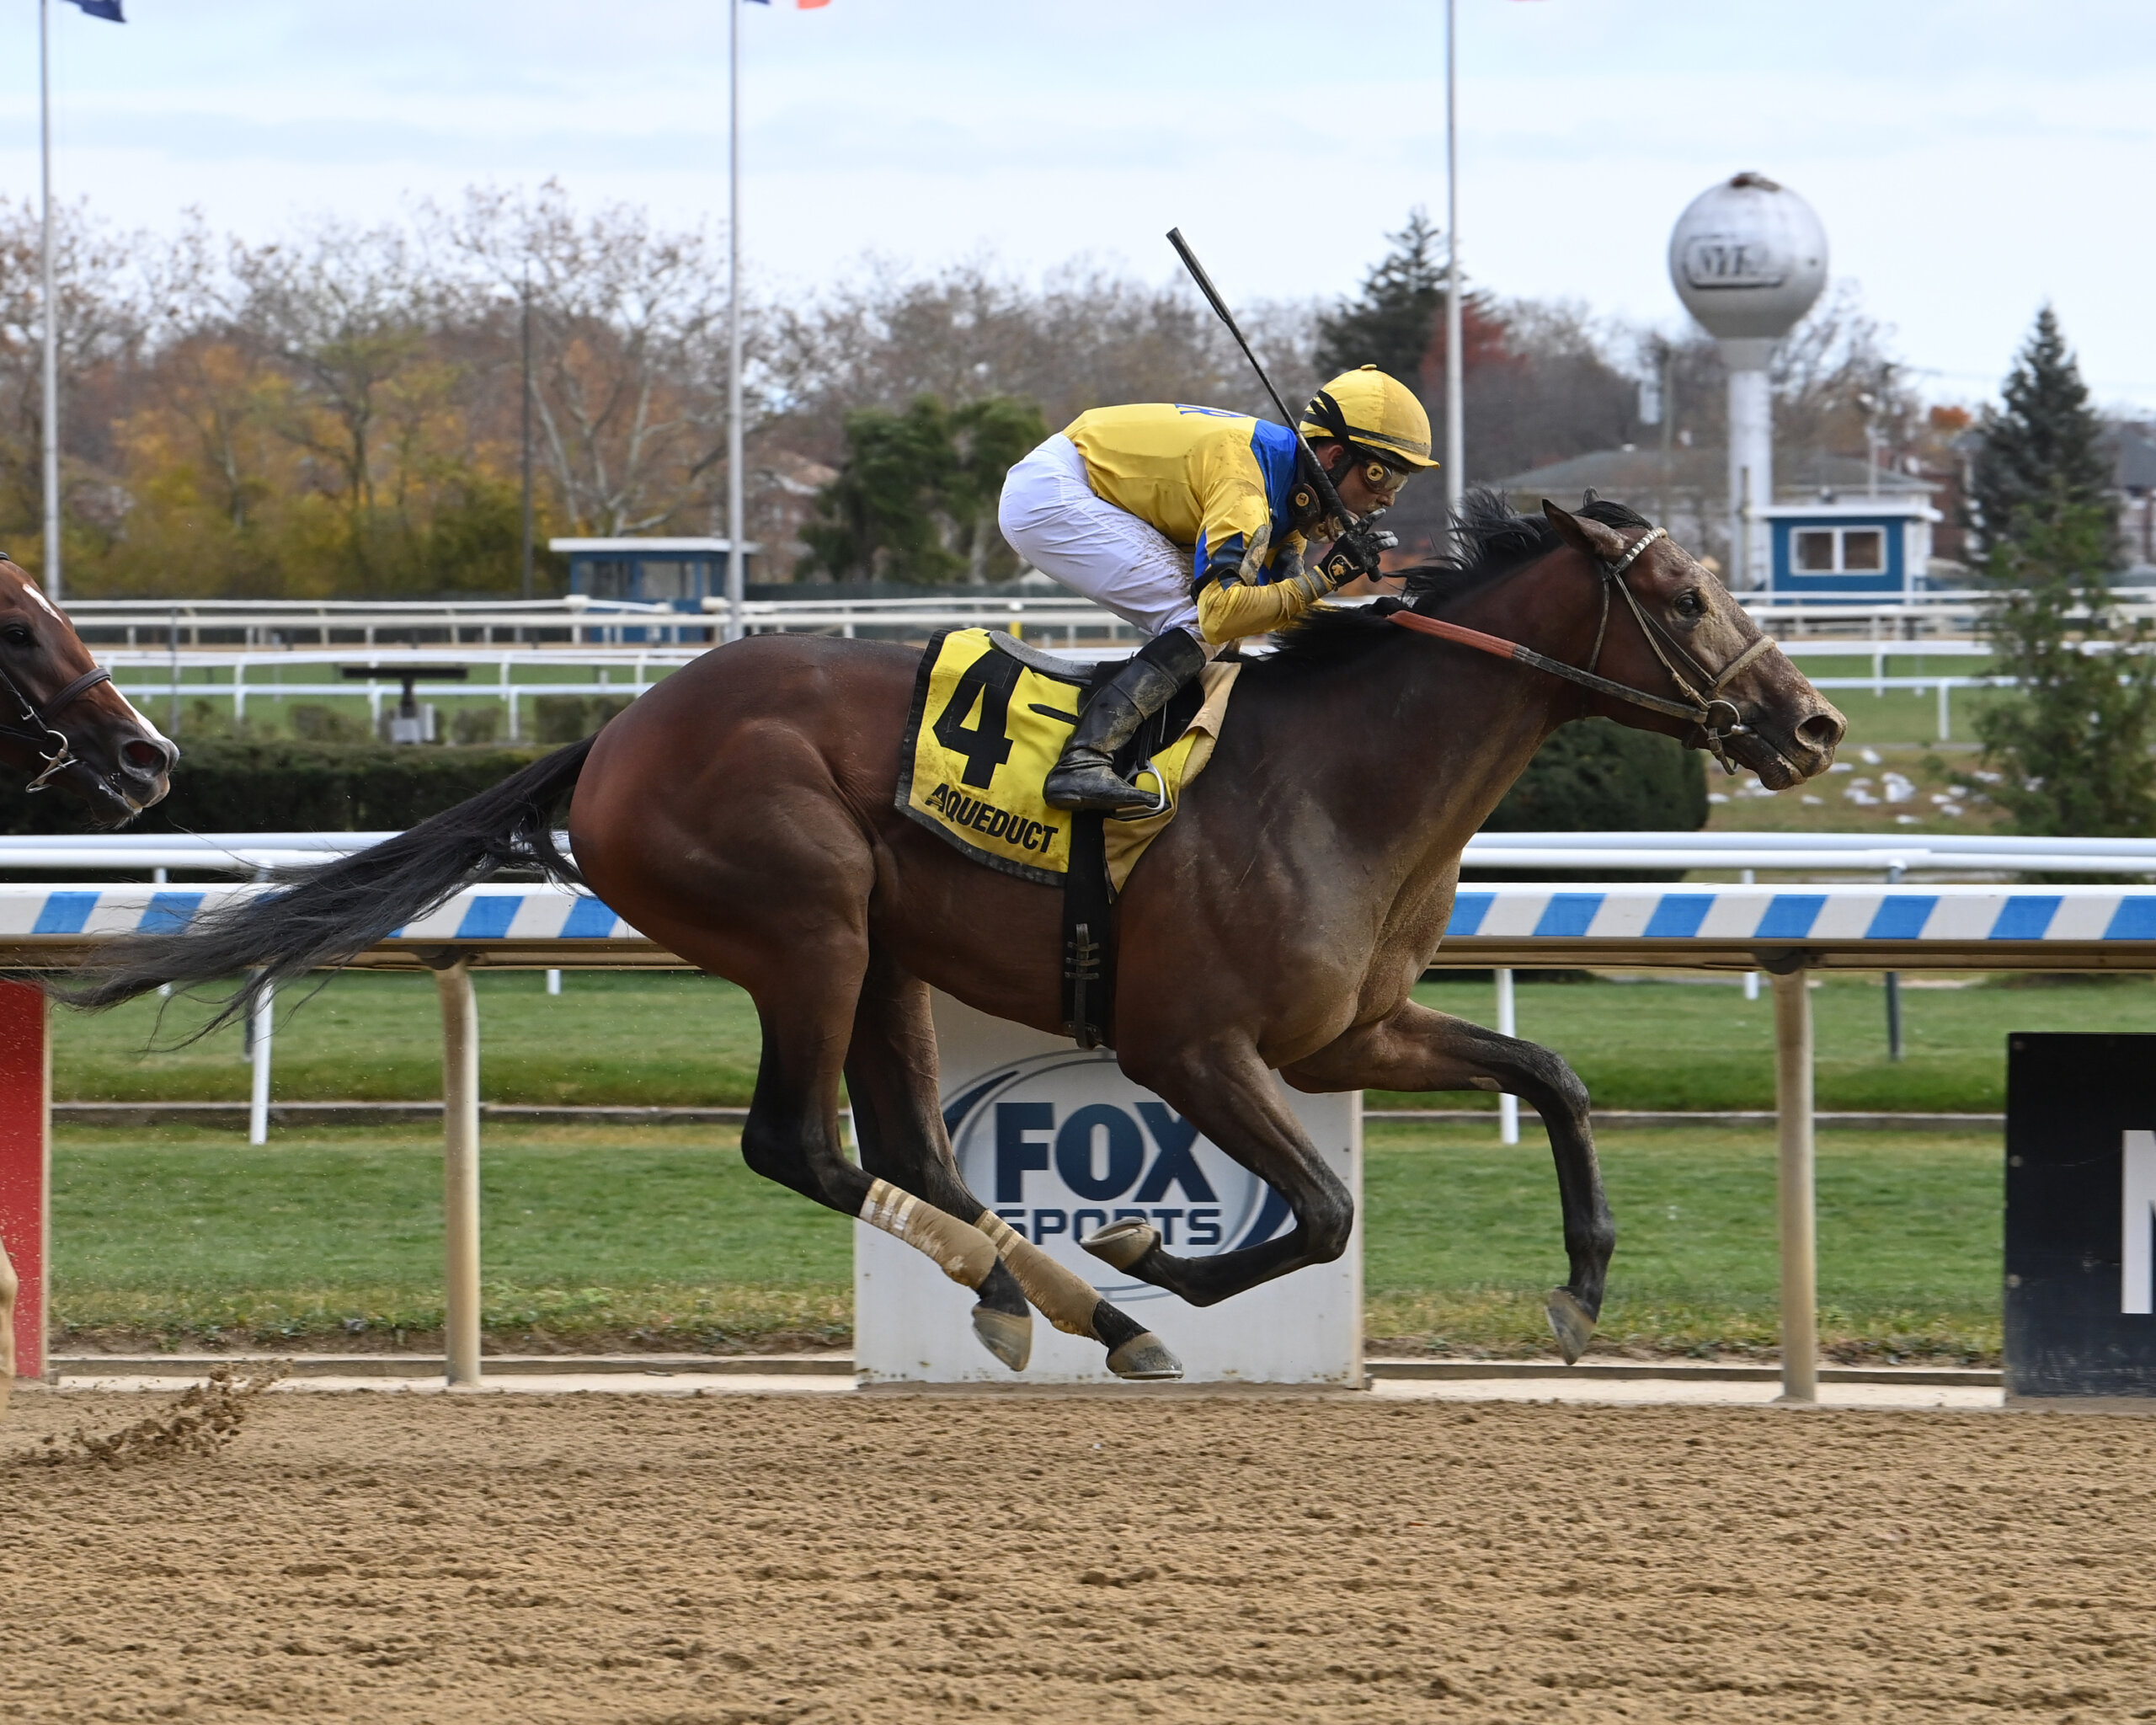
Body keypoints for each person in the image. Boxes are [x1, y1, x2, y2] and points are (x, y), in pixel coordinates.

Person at [998, 365, 1437, 814]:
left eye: (1399, 484)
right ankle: (1084, 759)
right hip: (1053, 493)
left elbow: (1274, 610)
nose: (1387, 500)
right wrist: (1323, 579)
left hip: (1081, 477)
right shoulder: (1247, 487)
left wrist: (1361, 622)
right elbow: (1222, 614)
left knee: (1225, 622)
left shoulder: (1286, 488)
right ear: (1334, 456)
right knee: (1203, 620)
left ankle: (1181, 750)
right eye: (1382, 477)